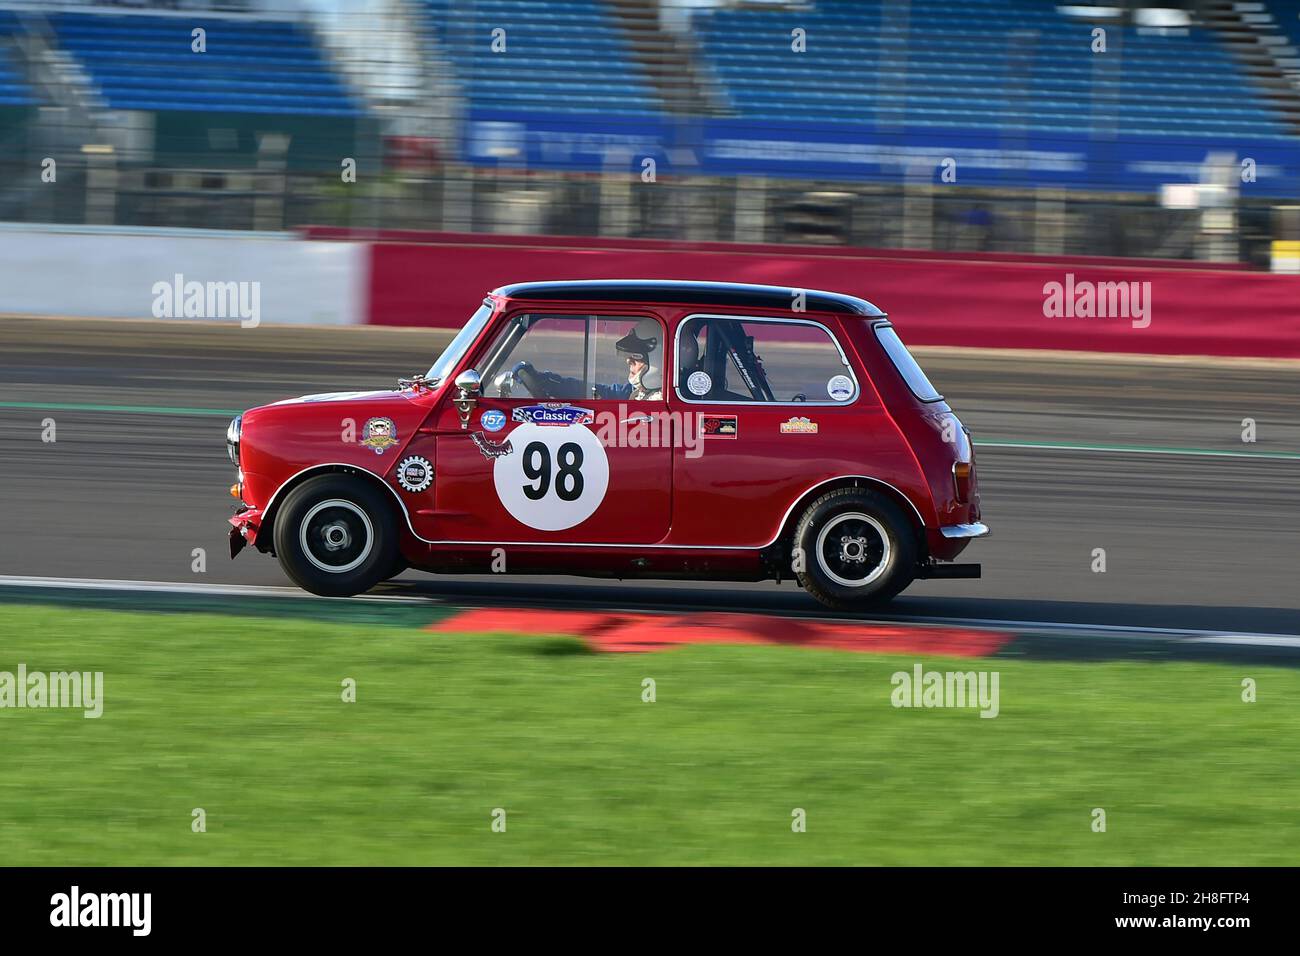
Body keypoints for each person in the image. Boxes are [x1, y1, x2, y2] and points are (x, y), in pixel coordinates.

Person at [513, 318, 663, 401]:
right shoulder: (636, 392)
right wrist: (547, 381)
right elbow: (597, 392)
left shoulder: (660, 401)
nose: (628, 361)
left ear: (656, 361)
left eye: (635, 357)